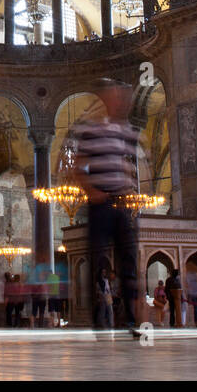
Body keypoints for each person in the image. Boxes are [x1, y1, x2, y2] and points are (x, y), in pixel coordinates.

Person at [71, 78, 144, 336]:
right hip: (100, 204)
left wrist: (128, 185)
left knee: (129, 259)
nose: (121, 102)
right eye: (117, 97)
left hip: (121, 204)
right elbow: (79, 167)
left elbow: (126, 163)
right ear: (107, 100)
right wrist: (93, 192)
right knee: (99, 261)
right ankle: (99, 319)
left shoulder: (124, 130)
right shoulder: (91, 130)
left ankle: (131, 320)